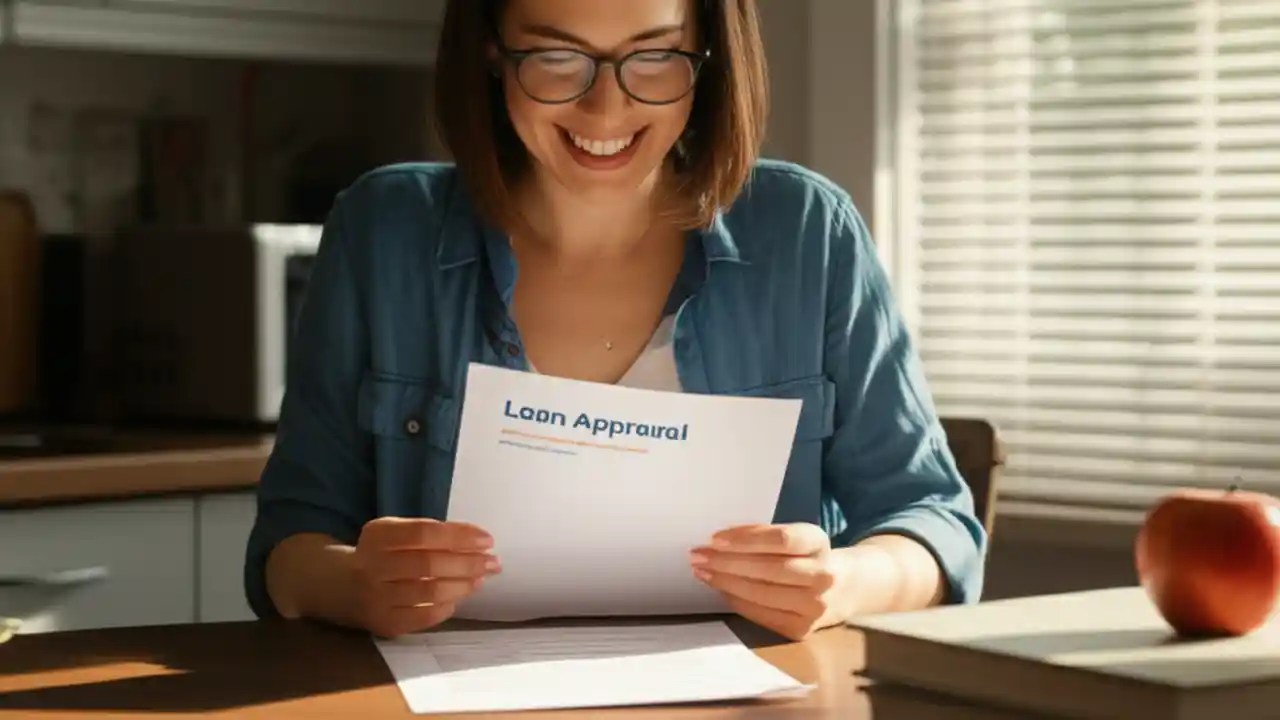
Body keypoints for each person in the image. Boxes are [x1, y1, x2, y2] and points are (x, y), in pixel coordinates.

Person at [244, 0, 987, 643]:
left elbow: (936, 527)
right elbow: (287, 544)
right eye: (559, 56)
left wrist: (842, 581)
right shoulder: (384, 231)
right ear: (493, 53)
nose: (606, 110)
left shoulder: (807, 233)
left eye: (655, 56)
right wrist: (351, 583)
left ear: (710, 58)